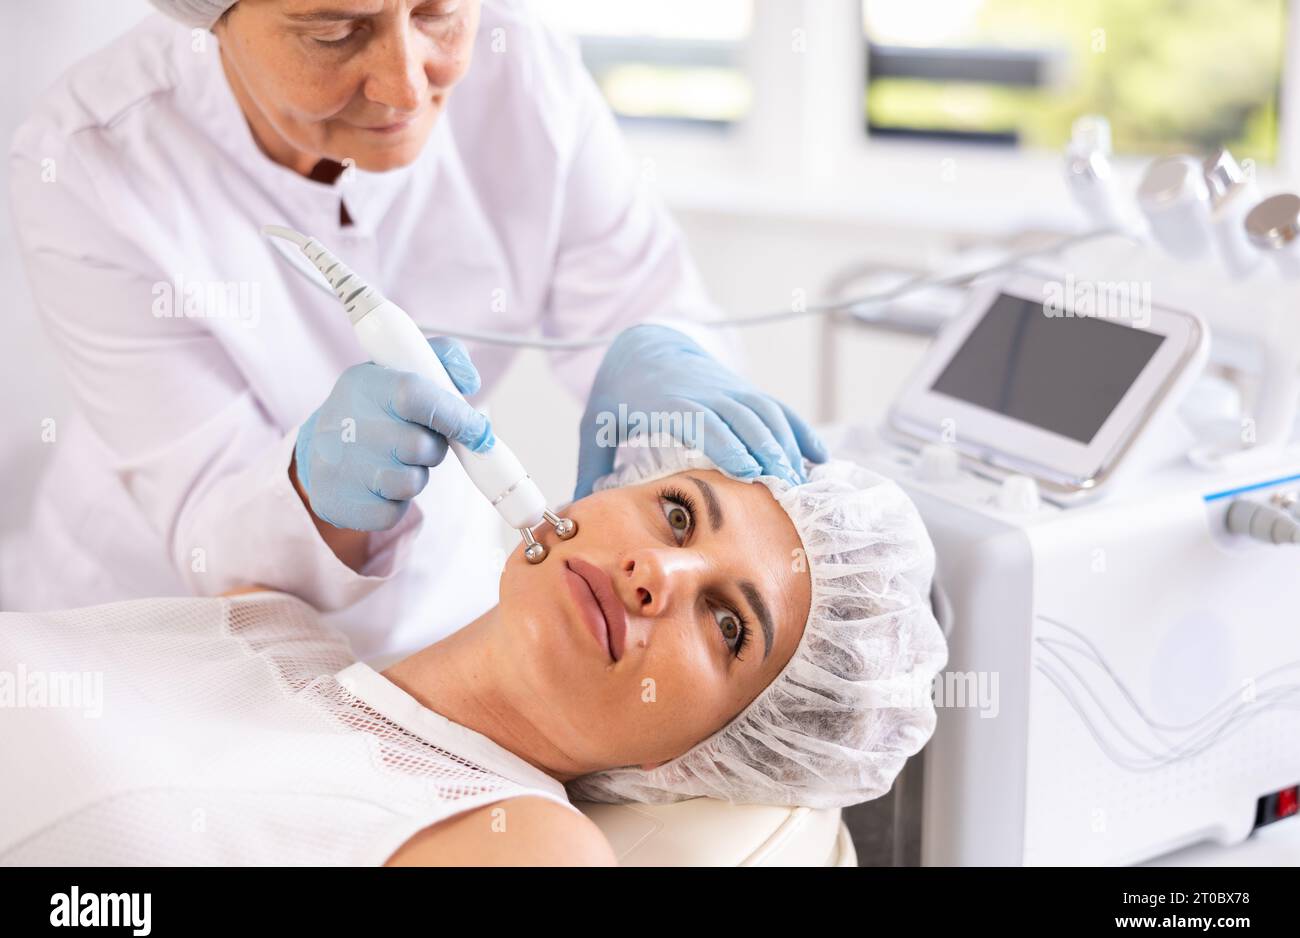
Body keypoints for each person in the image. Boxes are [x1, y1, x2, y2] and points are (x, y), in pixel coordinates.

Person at [4, 0, 826, 659]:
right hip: (142, 634)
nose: (403, 84)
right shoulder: (85, 159)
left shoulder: (525, 71)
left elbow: (647, 301)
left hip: (424, 620)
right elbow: (210, 528)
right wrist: (313, 496)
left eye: (436, 13)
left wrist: (664, 352)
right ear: (212, 17)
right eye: (335, 31)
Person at [0, 446, 946, 865]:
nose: (656, 568)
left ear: (712, 752)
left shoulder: (527, 845)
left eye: (728, 625)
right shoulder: (277, 629)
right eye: (678, 512)